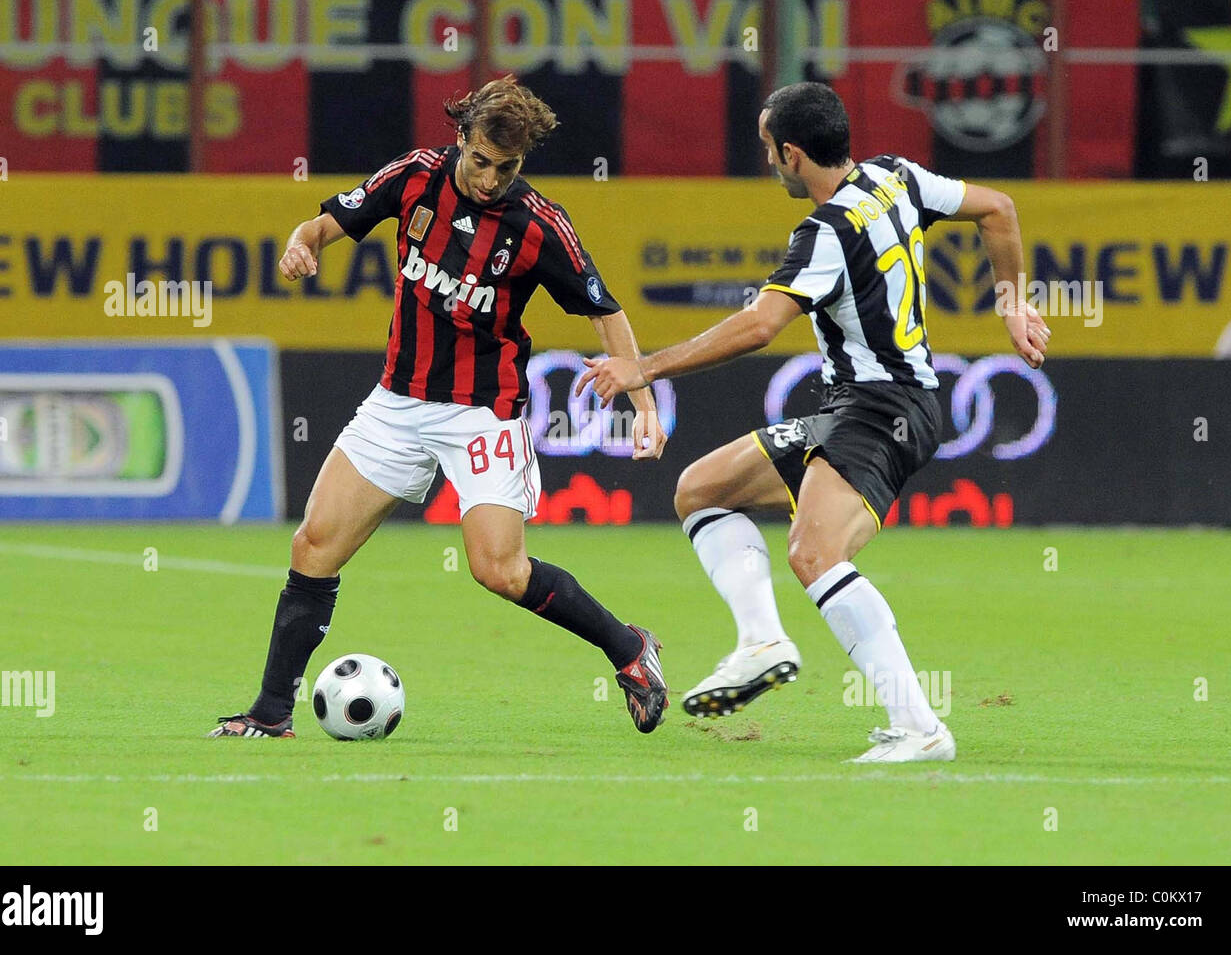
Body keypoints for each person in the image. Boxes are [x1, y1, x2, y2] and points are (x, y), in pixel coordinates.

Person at [578, 82, 1050, 762]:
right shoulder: (896, 176)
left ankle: (920, 728)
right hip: (860, 408)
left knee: (813, 553)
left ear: (792, 154)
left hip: (883, 410)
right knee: (701, 490)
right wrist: (1011, 305)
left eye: (770, 149)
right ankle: (761, 643)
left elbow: (759, 327)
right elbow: (998, 209)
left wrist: (644, 368)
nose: (769, 161)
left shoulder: (825, 233)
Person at [210, 76, 669, 738]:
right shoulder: (414, 177)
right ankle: (270, 714)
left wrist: (642, 399)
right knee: (313, 546)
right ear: (461, 139)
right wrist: (301, 243)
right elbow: (323, 224)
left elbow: (607, 310)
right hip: (397, 402)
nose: (489, 179)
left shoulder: (540, 226)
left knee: (498, 570)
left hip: (483, 411)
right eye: (480, 161)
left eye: (505, 168)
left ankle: (629, 651)